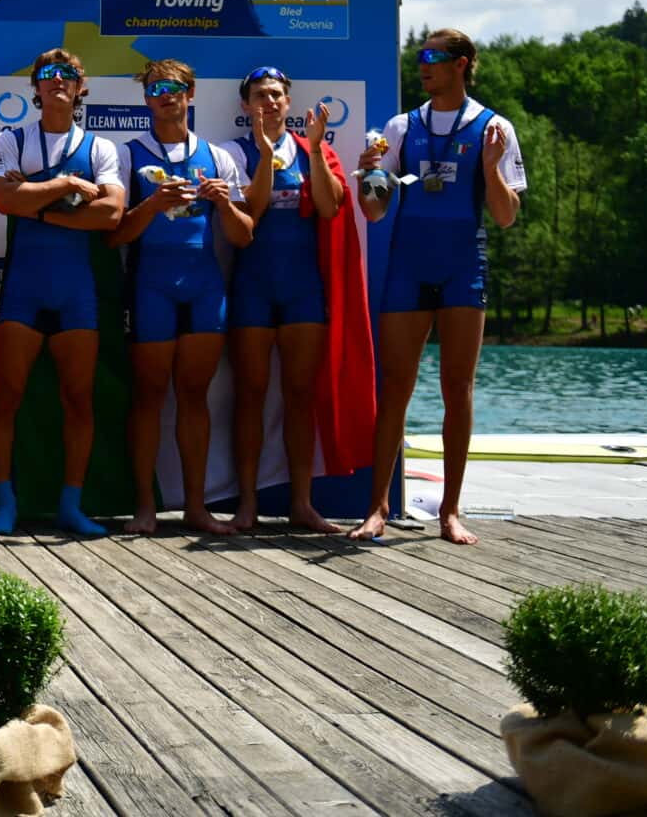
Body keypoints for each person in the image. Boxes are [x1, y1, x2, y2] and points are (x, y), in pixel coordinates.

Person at [352, 29, 524, 545]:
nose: (423, 65)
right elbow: (374, 210)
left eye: (433, 57)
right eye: (420, 56)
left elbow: (506, 216)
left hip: (462, 269)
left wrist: (491, 170)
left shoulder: (495, 128)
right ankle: (377, 508)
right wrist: (369, 175)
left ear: (462, 64)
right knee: (395, 392)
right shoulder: (401, 127)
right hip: (408, 266)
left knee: (458, 391)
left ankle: (451, 511)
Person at [0, 49, 124, 537]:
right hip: (23, 287)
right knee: (6, 396)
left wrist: (35, 202)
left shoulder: (101, 147)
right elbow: (3, 199)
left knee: (78, 400)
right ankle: (5, 504)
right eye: (47, 75)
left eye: (67, 75)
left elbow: (110, 215)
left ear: (80, 88)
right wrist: (64, 185)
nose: (57, 81)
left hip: (76, 291)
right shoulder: (11, 138)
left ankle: (71, 505)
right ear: (36, 88)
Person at [111, 59, 253, 535]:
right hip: (150, 282)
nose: (165, 95)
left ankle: (196, 507)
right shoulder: (128, 155)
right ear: (147, 99)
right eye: (155, 89)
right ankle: (145, 507)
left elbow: (243, 236)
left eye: (173, 87)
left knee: (195, 397)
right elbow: (115, 236)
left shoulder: (219, 156)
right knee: (149, 397)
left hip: (203, 284)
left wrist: (224, 202)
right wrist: (152, 203)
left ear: (190, 94)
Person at [220, 67, 343, 533]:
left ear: (289, 102)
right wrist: (266, 160)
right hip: (253, 285)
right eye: (259, 96)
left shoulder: (313, 150)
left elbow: (330, 209)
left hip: (302, 290)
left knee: (299, 396)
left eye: (276, 95)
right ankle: (247, 504)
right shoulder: (234, 152)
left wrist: (311, 150)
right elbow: (249, 215)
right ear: (246, 105)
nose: (268, 102)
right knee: (249, 396)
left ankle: (301, 503)